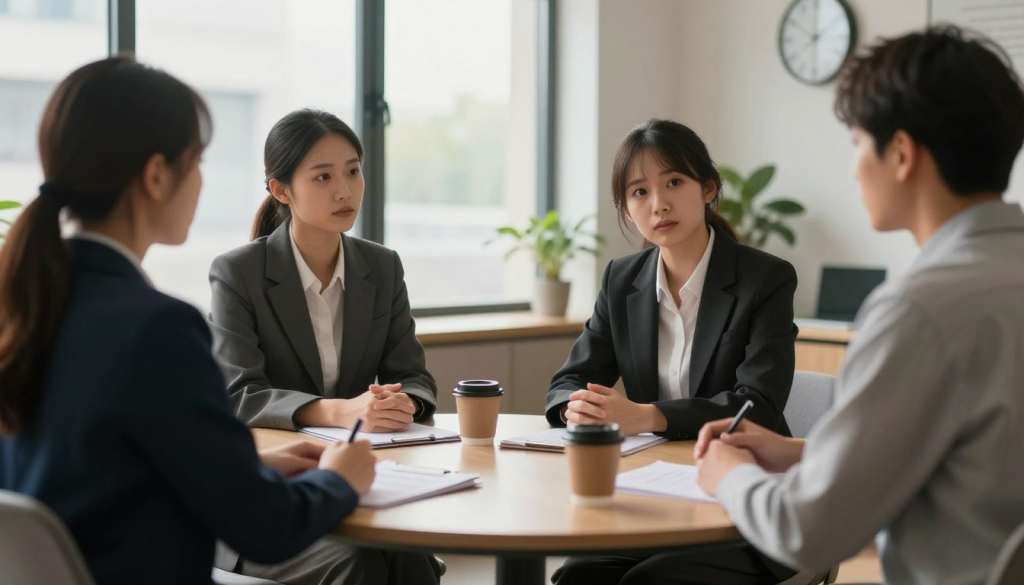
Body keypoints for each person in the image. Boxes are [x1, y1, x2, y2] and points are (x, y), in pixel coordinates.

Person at [0, 56, 376, 585]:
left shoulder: (26, 305)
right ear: (156, 175)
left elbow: (93, 472)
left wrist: (247, 464)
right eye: (196, 161)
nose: (201, 181)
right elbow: (267, 528)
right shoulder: (156, 329)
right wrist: (340, 480)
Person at [695, 25, 1024, 585]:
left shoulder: (919, 311)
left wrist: (729, 473)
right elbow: (974, 461)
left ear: (900, 153)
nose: (853, 168)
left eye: (856, 144)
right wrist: (802, 453)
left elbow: (806, 531)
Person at [549, 119, 798, 584]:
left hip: (748, 505)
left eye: (674, 183)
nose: (658, 203)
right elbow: (567, 383)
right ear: (625, 208)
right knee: (578, 577)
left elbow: (757, 407)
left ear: (708, 188)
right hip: (658, 500)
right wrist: (579, 409)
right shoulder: (621, 280)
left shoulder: (765, 279)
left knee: (653, 581)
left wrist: (646, 416)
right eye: (638, 192)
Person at [208, 108, 440, 584]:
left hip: (361, 484)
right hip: (267, 502)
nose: (345, 190)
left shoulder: (382, 266)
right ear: (281, 190)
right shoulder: (238, 273)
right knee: (359, 562)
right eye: (323, 176)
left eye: (353, 171)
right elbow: (239, 395)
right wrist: (337, 411)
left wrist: (401, 403)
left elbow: (415, 377)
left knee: (410, 556)